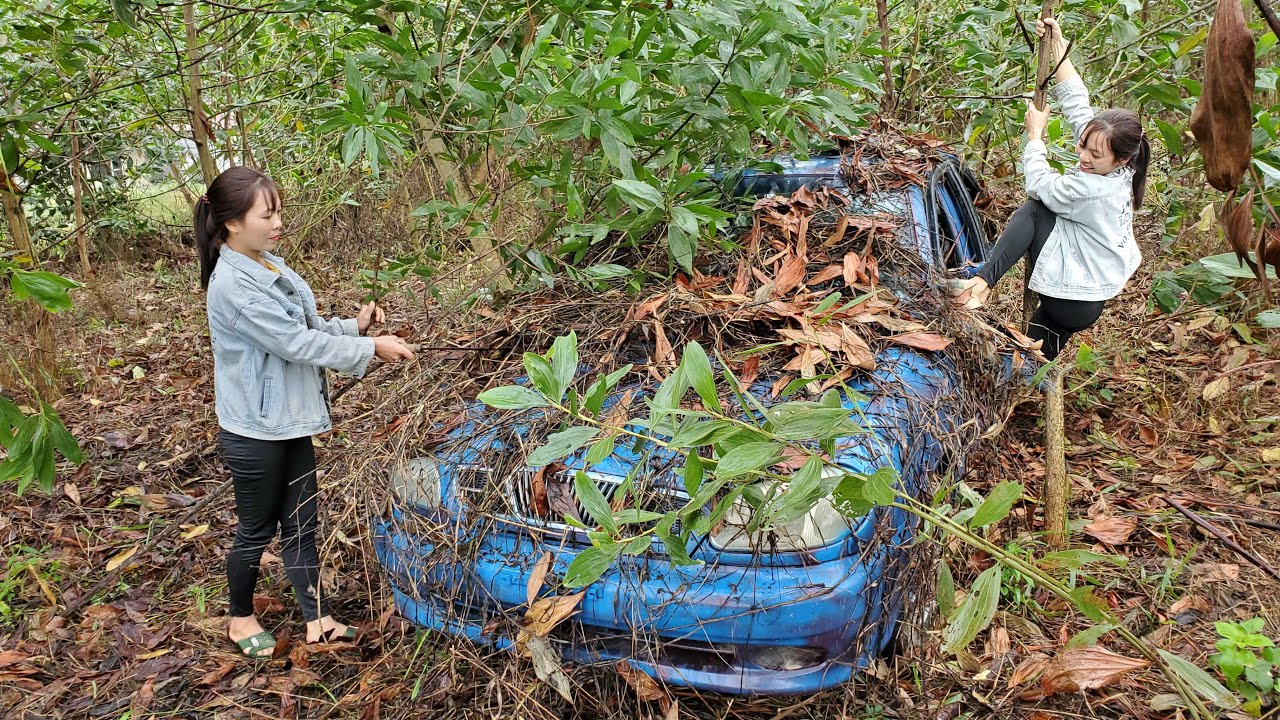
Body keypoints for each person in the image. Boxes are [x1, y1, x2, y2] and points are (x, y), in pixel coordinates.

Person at [195, 166, 415, 658]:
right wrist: (370, 349)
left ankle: (318, 619)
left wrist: (355, 327)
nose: (277, 223)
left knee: (301, 521)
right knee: (257, 527)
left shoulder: (268, 263)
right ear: (231, 222)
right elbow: (294, 343)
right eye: (266, 214)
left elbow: (307, 326)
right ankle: (240, 619)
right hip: (255, 429)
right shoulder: (233, 284)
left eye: (279, 213)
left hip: (289, 417)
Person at [952, 16, 1151, 360]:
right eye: (1084, 145)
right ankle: (1027, 392)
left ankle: (981, 285)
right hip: (1088, 297)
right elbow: (1077, 103)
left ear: (1120, 160)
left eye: (1094, 153)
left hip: (1072, 296)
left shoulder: (1091, 189)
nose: (1084, 156)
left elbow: (1039, 186)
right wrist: (1057, 46)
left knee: (1036, 209)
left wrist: (1034, 137)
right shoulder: (1122, 166)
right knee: (1032, 362)